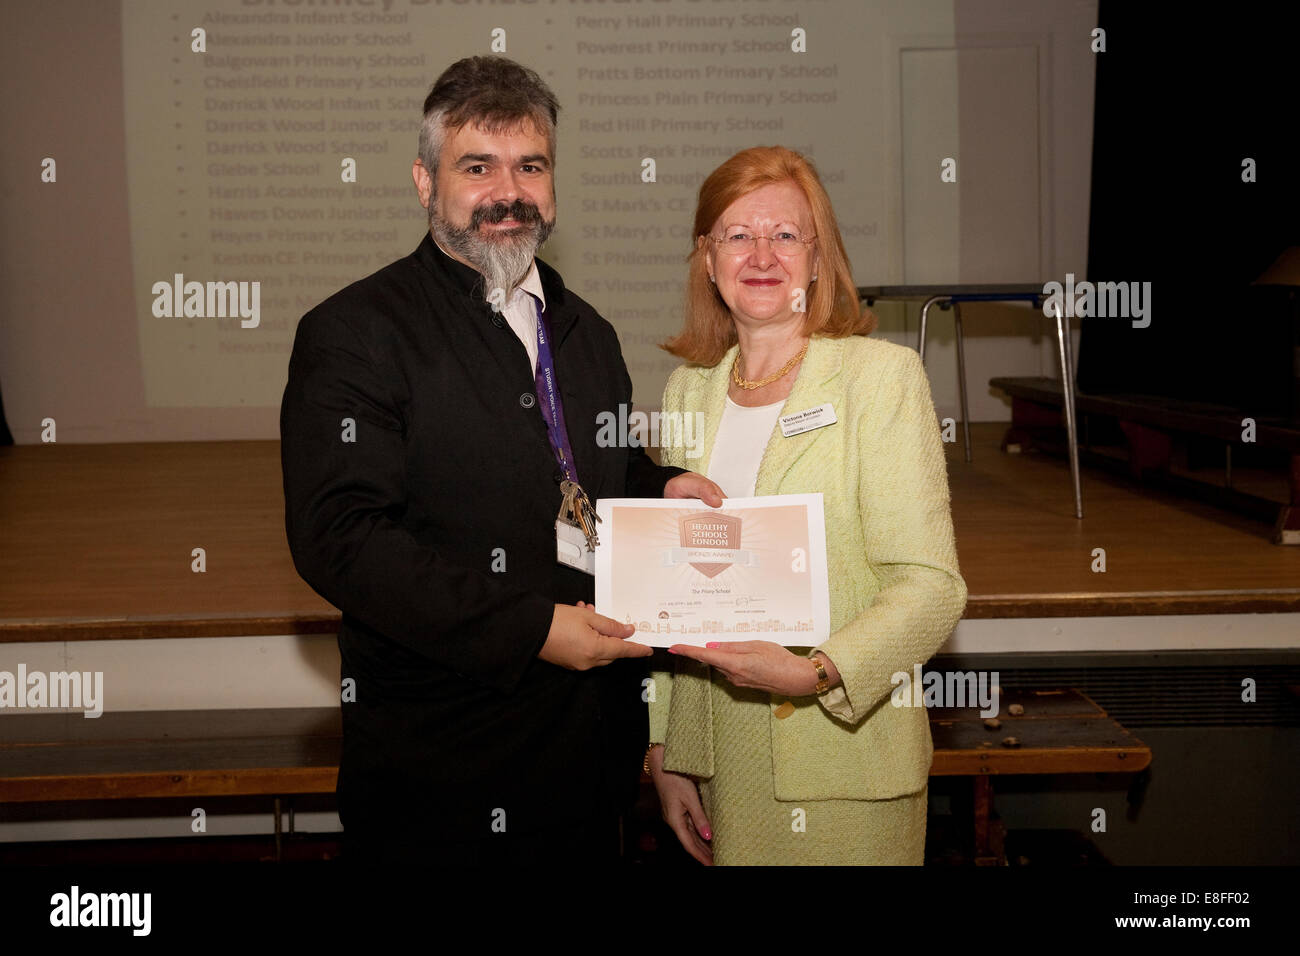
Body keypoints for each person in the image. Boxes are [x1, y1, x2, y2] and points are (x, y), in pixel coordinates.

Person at [279, 56, 721, 865]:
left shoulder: (586, 331)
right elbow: (340, 539)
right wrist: (533, 631)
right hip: (440, 780)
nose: (507, 192)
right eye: (476, 167)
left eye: (530, 166)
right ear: (425, 182)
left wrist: (661, 486)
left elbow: (593, 473)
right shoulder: (355, 333)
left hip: (589, 770)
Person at [647, 146, 967, 865]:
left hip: (845, 760)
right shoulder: (686, 392)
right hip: (722, 756)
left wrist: (817, 670)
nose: (762, 254)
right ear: (706, 258)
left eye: (786, 235)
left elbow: (931, 587)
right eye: (737, 235)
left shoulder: (879, 379)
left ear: (819, 259)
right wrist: (666, 750)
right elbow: (671, 596)